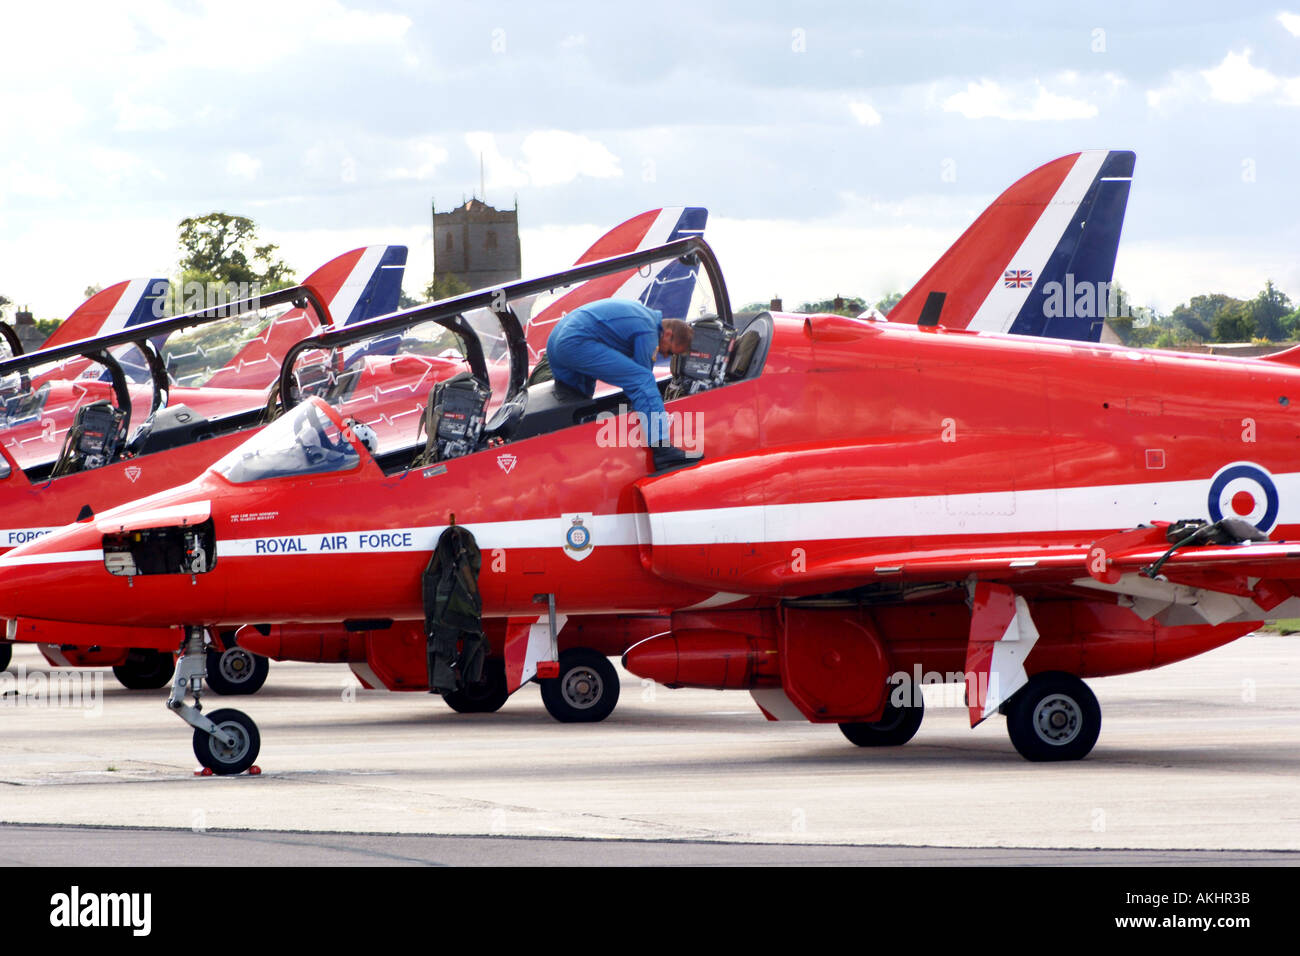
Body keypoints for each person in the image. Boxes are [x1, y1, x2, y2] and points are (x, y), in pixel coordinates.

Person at [545, 299, 695, 469]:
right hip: (574, 341)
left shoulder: (641, 315)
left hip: (557, 338)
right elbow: (643, 382)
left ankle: (565, 450)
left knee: (577, 398)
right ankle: (663, 450)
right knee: (642, 379)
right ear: (667, 334)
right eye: (668, 351)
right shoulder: (649, 331)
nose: (665, 356)